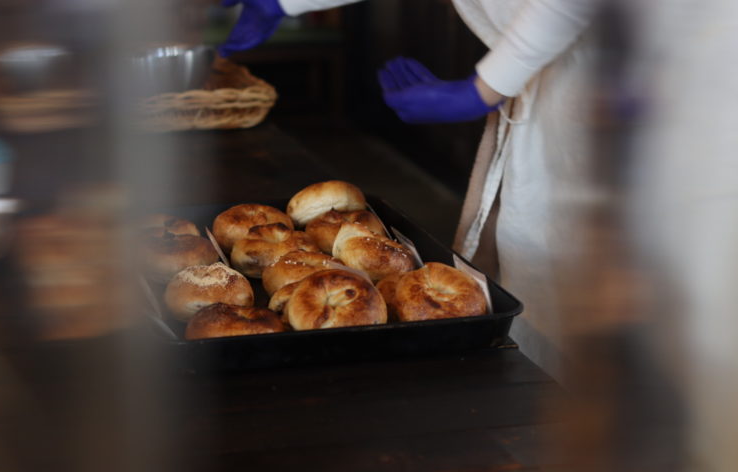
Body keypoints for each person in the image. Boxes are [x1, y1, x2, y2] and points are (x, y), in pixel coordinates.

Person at [218, 0, 602, 378]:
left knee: (578, 290)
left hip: (598, 99)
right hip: (547, 83)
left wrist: (487, 86)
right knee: (535, 281)